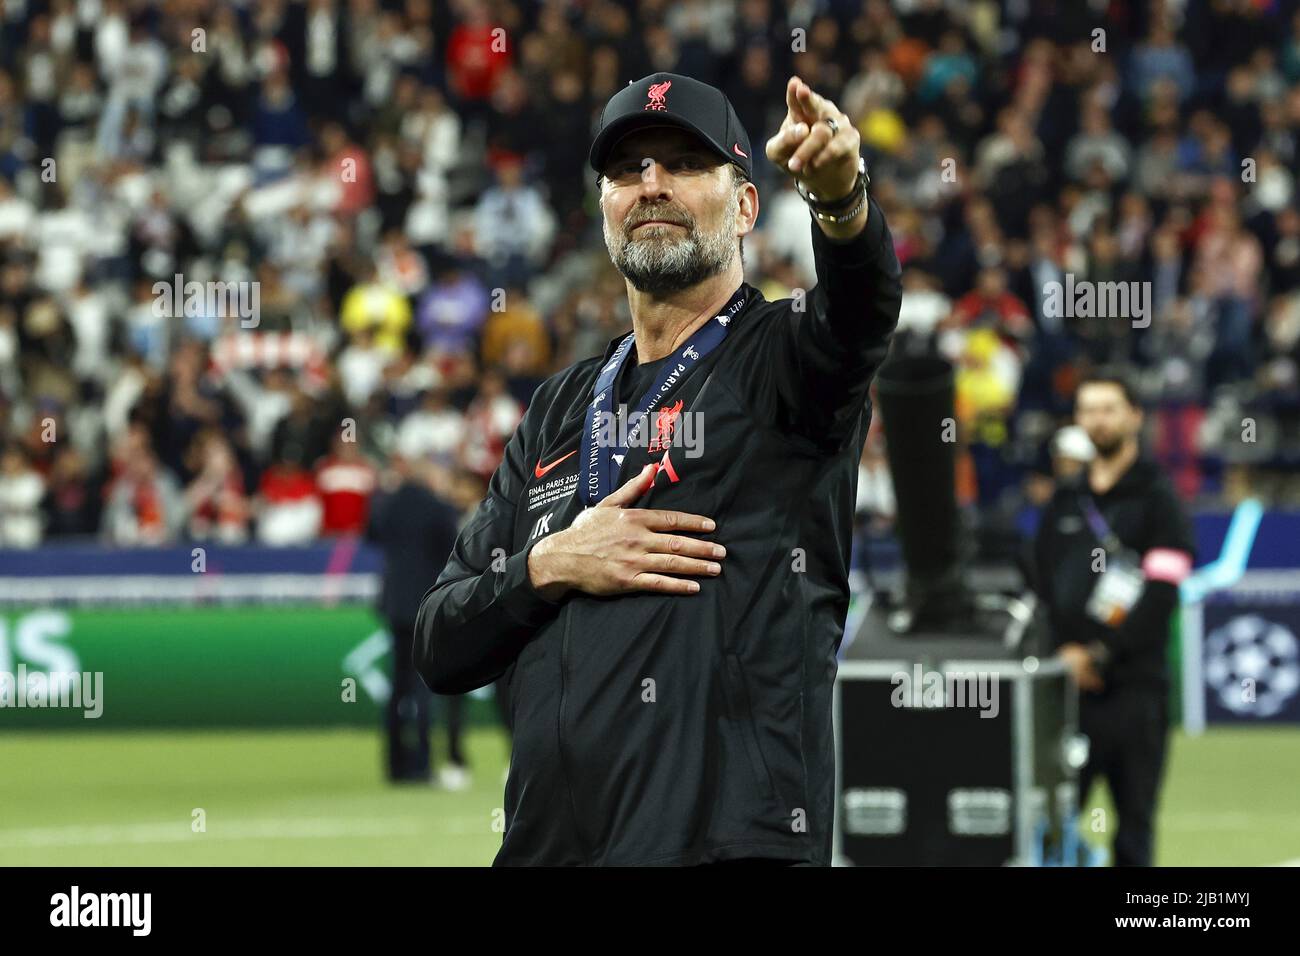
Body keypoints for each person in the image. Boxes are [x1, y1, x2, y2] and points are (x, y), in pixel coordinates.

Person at [414, 72, 901, 866]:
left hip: (723, 847)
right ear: (602, 207)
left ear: (745, 205)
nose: (651, 185)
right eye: (627, 170)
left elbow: (861, 313)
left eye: (682, 163)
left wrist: (840, 202)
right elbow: (440, 643)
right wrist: (547, 565)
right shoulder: (559, 407)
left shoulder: (786, 361)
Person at [1032, 370, 1196, 866]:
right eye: (1088, 410)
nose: (1097, 420)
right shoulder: (1065, 499)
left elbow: (1164, 593)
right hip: (1068, 694)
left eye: (1108, 408)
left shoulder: (1158, 498)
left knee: (1134, 830)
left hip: (1135, 690)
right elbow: (1042, 586)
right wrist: (1064, 654)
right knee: (1052, 827)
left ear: (1134, 417)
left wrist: (1101, 655)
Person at [366, 455, 462, 783]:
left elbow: (372, 535)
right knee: (423, 687)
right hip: (425, 604)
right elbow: (453, 550)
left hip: (394, 604)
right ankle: (422, 765)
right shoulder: (437, 507)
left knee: (397, 686)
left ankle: (394, 765)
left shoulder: (387, 504)